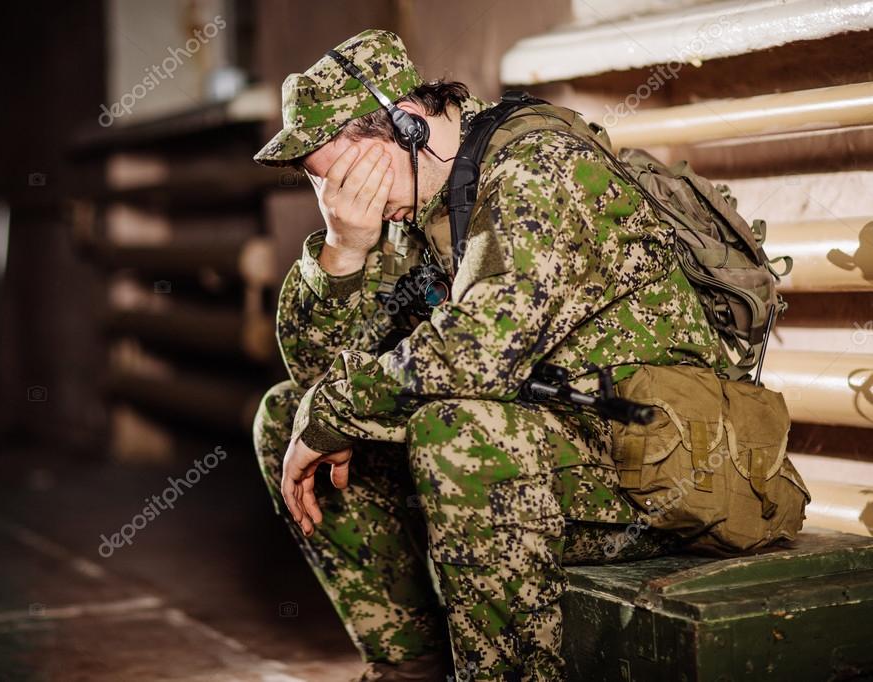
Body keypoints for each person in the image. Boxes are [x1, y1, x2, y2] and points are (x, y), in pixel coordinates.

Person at [251, 28, 722, 681]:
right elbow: (316, 378)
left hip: (650, 471)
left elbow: (480, 353)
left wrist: (337, 406)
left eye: (340, 177)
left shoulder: (541, 170)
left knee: (458, 428)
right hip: (545, 451)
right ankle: (407, 668)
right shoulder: (414, 207)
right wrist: (343, 254)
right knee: (285, 416)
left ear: (406, 127)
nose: (334, 200)